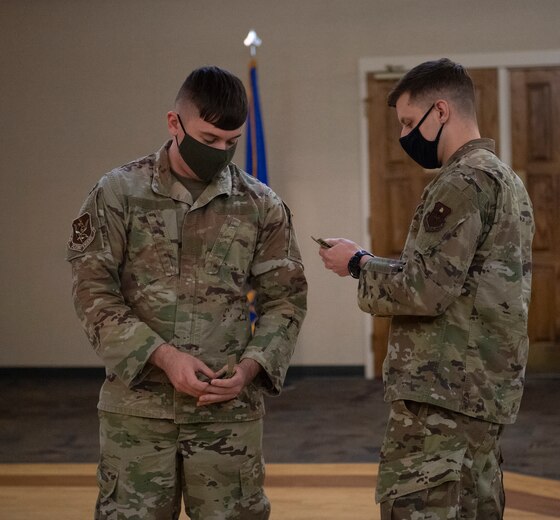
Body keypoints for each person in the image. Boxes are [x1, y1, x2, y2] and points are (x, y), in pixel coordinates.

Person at [67, 66, 307, 519]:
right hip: (138, 414)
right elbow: (93, 293)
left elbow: (285, 301)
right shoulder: (118, 193)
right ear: (174, 123)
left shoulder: (260, 205)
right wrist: (163, 357)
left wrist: (251, 368)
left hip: (226, 415)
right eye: (209, 138)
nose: (221, 151)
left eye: (232, 141)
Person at [318, 58, 534, 519]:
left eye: (409, 122)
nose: (404, 136)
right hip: (481, 384)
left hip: (444, 390)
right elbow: (459, 281)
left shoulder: (461, 182)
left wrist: (358, 263)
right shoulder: (505, 179)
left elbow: (426, 290)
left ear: (442, 112)